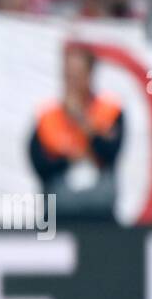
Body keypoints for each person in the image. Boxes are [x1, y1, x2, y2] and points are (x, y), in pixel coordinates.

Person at [29, 44, 124, 224]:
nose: (72, 82)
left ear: (89, 75)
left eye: (77, 75)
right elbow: (39, 165)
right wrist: (70, 160)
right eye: (68, 75)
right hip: (58, 215)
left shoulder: (110, 111)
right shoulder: (48, 116)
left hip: (100, 215)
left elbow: (110, 153)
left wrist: (81, 120)